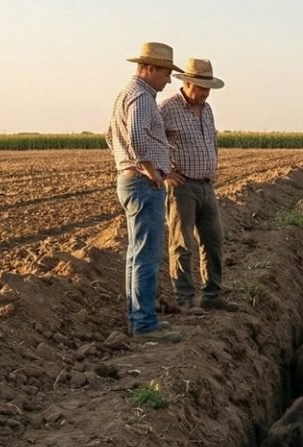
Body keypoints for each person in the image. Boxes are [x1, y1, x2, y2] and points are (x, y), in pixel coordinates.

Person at [106, 41, 184, 342]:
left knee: (136, 254)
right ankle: (145, 325)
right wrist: (151, 172)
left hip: (130, 180)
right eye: (165, 73)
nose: (167, 80)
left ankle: (138, 318)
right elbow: (137, 136)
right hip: (142, 184)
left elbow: (109, 135)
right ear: (149, 68)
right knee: (147, 256)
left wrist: (124, 163)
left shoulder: (126, 94)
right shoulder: (141, 96)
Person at [160, 58, 240, 313]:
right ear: (187, 83)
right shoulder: (167, 109)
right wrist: (165, 173)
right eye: (201, 87)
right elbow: (149, 141)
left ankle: (212, 295)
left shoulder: (207, 110)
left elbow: (212, 140)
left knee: (214, 241)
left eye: (208, 89)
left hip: (206, 186)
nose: (205, 93)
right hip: (182, 187)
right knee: (182, 244)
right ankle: (184, 300)